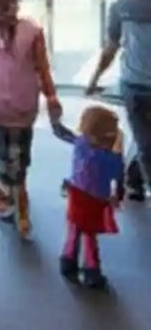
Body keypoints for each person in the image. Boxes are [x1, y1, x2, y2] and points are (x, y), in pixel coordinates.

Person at [0, 0, 62, 237]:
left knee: (3, 151)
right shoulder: (31, 31)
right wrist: (51, 97)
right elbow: (42, 69)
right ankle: (20, 208)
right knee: (18, 155)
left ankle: (3, 196)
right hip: (21, 103)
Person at [85, 0, 151, 203]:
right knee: (146, 142)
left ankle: (133, 180)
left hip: (134, 85)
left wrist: (94, 79)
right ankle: (136, 181)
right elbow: (110, 49)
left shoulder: (122, 7)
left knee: (146, 141)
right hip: (135, 86)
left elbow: (110, 49)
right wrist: (94, 79)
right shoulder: (123, 8)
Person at [52, 105, 125, 290]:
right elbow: (118, 174)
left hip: (76, 193)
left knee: (74, 228)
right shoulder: (109, 158)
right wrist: (118, 150)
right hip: (96, 200)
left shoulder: (81, 144)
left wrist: (55, 120)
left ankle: (68, 260)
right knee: (90, 235)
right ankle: (92, 271)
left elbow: (63, 133)